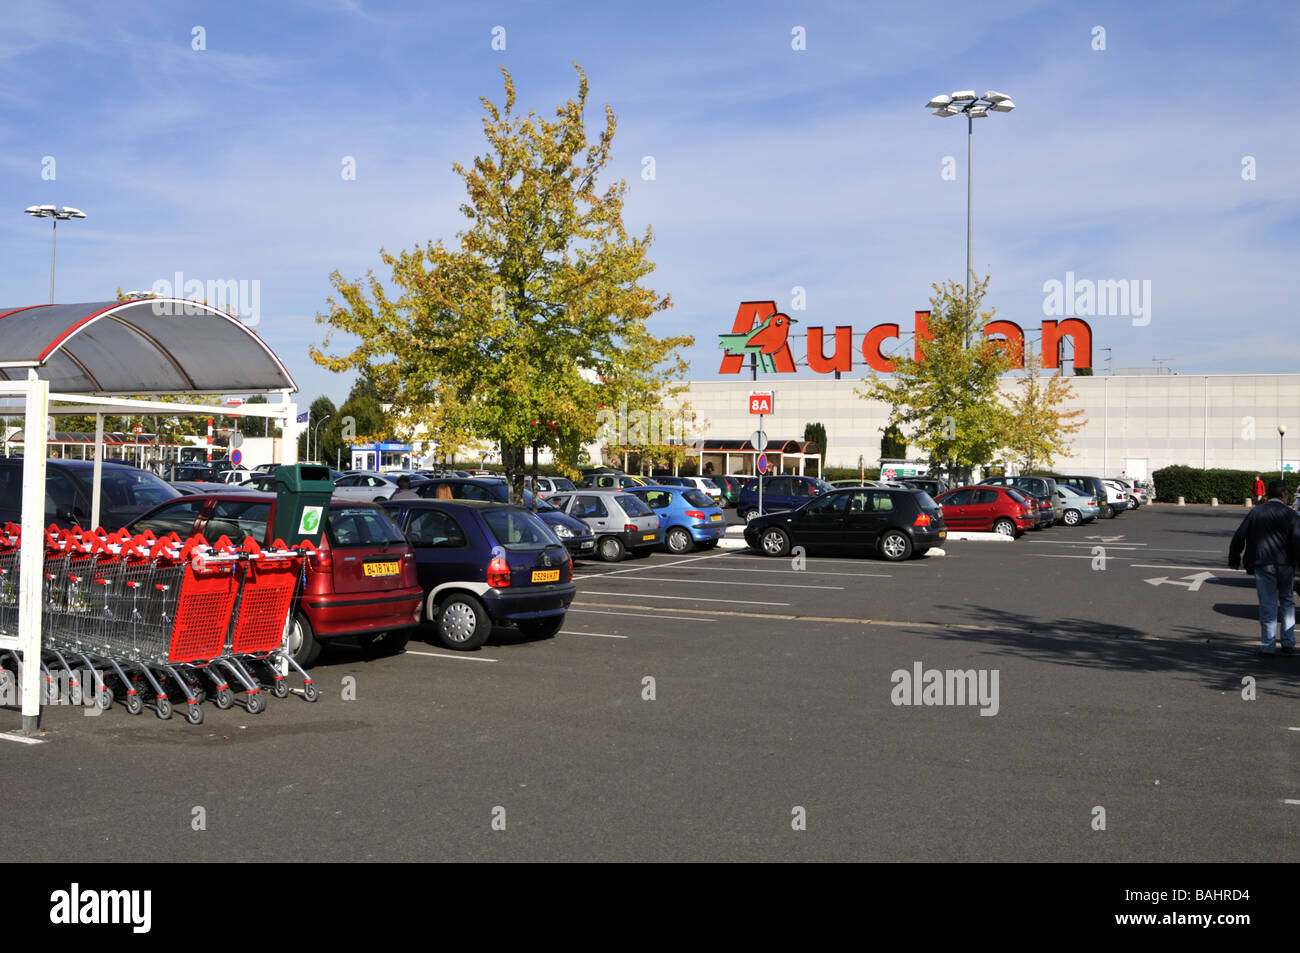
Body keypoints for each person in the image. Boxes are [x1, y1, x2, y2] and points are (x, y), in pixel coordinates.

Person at [1229, 479, 1300, 657]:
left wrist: (1235, 558)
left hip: (1263, 562)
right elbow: (1298, 542)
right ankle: (1288, 642)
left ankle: (1268, 645)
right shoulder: (1291, 515)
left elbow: (1239, 536)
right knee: (1287, 601)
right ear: (1284, 495)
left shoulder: (1256, 512)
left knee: (1268, 604)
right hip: (1286, 564)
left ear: (1267, 495)